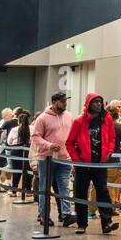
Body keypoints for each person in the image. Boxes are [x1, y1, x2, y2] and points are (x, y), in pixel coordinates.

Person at [65, 93, 118, 234]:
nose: (99, 104)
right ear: (89, 104)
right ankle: (82, 224)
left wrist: (109, 152)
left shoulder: (106, 119)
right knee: (80, 193)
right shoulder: (79, 121)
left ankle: (107, 223)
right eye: (96, 102)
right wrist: (77, 161)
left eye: (100, 102)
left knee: (103, 193)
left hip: (100, 164)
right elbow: (69, 143)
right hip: (83, 165)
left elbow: (112, 137)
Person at [31, 92, 76, 227]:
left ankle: (66, 214)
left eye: (65, 101)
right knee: (45, 187)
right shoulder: (42, 118)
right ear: (54, 102)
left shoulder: (69, 117)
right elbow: (35, 137)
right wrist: (49, 145)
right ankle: (44, 215)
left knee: (64, 187)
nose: (65, 103)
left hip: (65, 159)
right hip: (46, 159)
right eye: (62, 101)